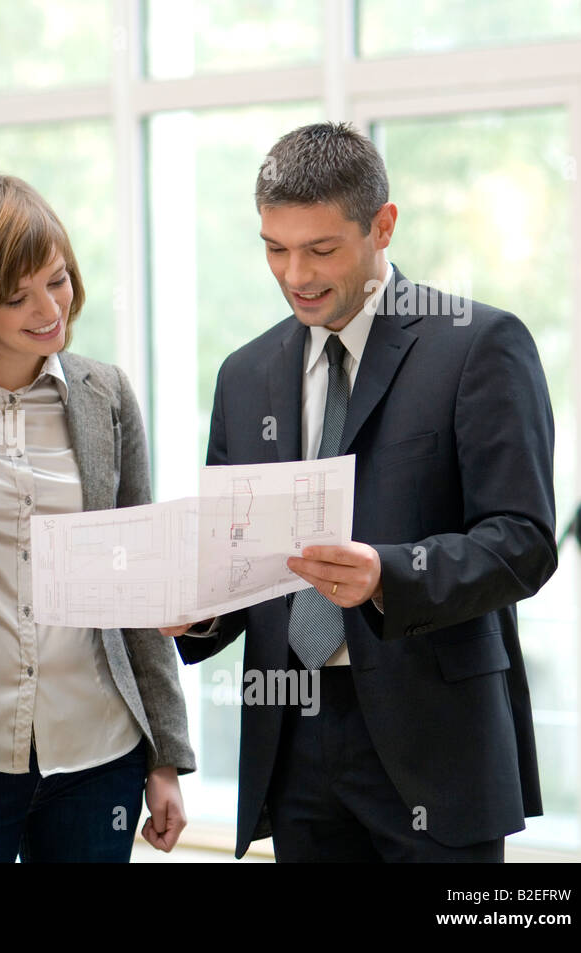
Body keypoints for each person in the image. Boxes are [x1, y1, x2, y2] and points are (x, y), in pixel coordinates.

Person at [162, 122, 556, 862]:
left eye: (320, 249)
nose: (295, 275)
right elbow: (239, 554)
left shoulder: (478, 346)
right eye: (275, 248)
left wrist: (388, 574)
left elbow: (524, 542)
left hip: (434, 740)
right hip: (294, 737)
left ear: (384, 225)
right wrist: (197, 613)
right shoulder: (244, 376)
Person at [0, 174, 195, 863]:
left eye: (58, 280)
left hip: (98, 748)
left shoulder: (108, 396)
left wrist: (164, 757)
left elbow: (139, 587)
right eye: (17, 296)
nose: (49, 309)